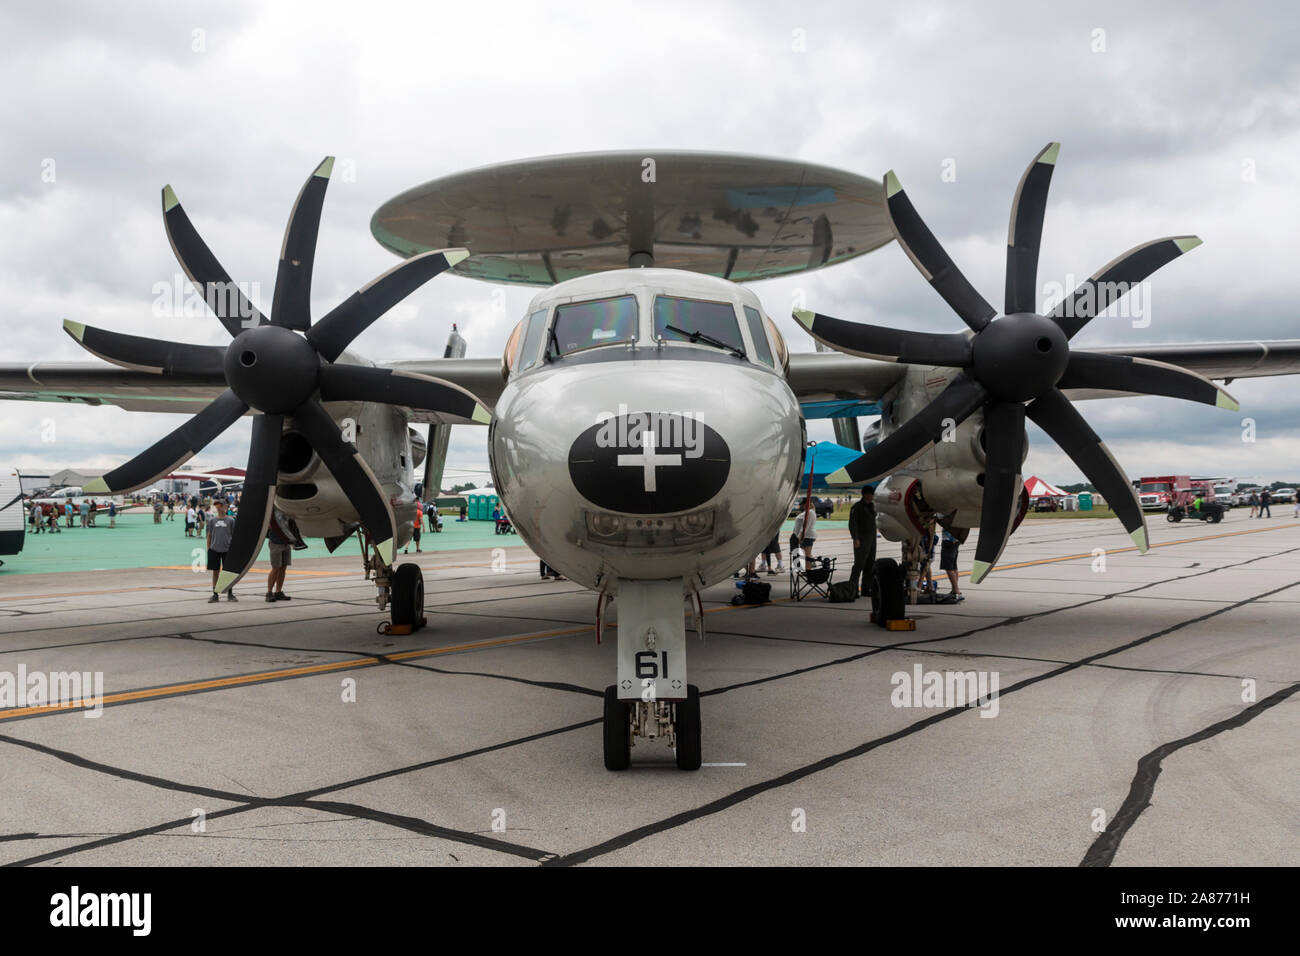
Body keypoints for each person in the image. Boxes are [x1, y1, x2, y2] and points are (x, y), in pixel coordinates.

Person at [848, 485, 877, 595]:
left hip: (872, 539)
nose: (871, 496)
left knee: (870, 564)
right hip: (862, 539)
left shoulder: (873, 507)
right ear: (865, 494)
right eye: (870, 494)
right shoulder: (857, 507)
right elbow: (852, 524)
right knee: (859, 564)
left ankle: (866, 589)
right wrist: (855, 538)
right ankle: (852, 588)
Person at [206, 500, 237, 602]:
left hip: (227, 550)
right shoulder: (212, 520)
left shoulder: (231, 520)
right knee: (215, 572)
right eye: (216, 505)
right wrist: (209, 549)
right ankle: (215, 594)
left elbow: (234, 535)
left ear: (225, 507)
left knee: (228, 572)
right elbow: (209, 535)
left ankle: (230, 593)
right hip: (214, 550)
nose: (218, 507)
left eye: (220, 505)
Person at [265, 508, 294, 602]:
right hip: (275, 542)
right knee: (276, 567)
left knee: (283, 567)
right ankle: (269, 593)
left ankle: (278, 592)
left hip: (286, 541)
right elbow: (267, 525)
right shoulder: (271, 510)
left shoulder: (287, 509)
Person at [939, 525, 964, 601]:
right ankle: (954, 590)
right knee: (953, 566)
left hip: (949, 540)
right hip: (955, 540)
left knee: (948, 567)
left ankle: (956, 591)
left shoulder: (947, 514)